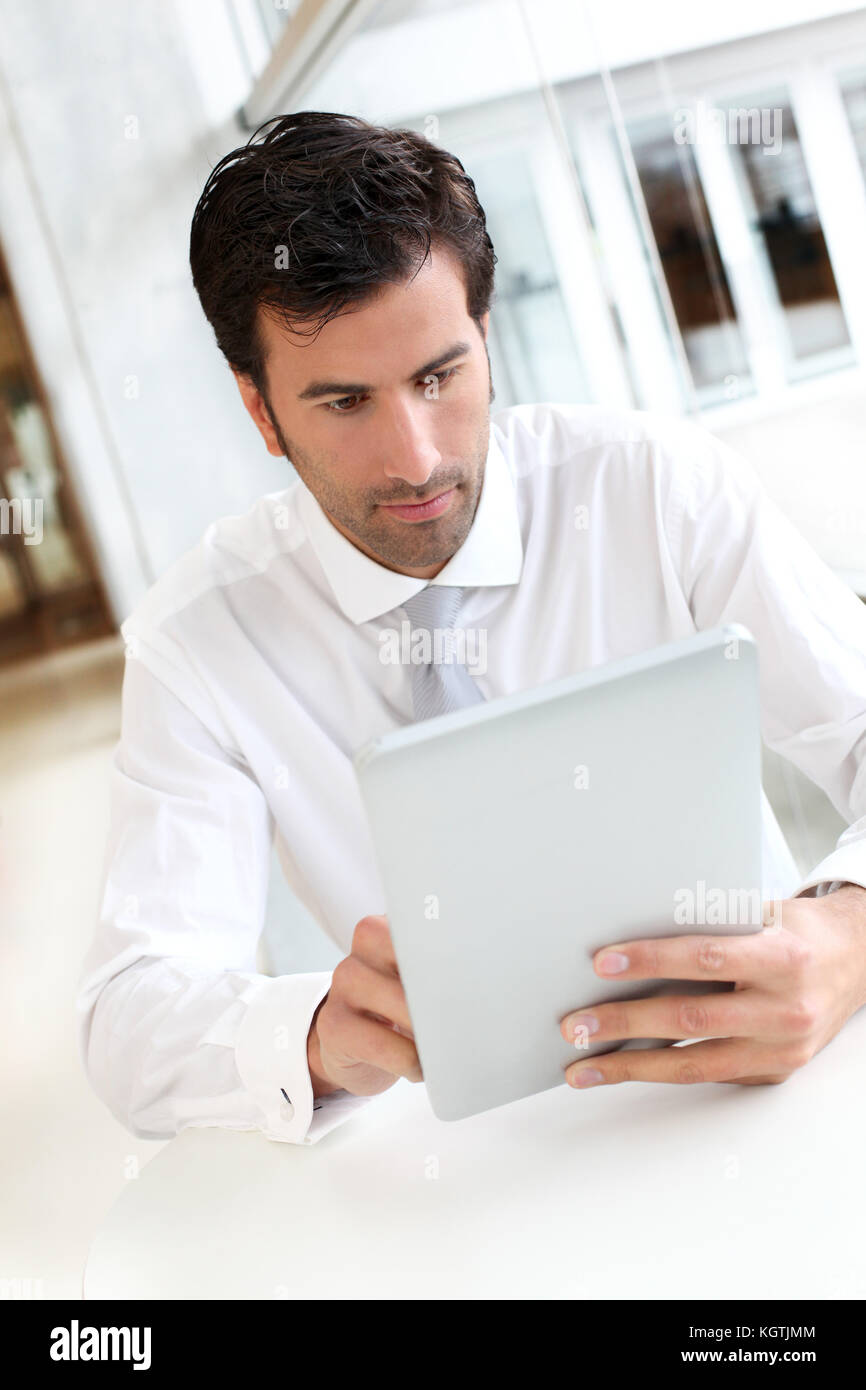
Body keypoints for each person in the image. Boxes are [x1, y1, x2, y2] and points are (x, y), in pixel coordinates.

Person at [76, 111, 866, 1146]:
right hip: (468, 1166)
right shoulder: (199, 643)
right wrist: (312, 1033)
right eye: (345, 401)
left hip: (763, 1100)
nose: (413, 459)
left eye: (438, 378)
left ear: (486, 336)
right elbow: (130, 1019)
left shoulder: (652, 487)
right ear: (259, 411)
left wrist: (846, 930)